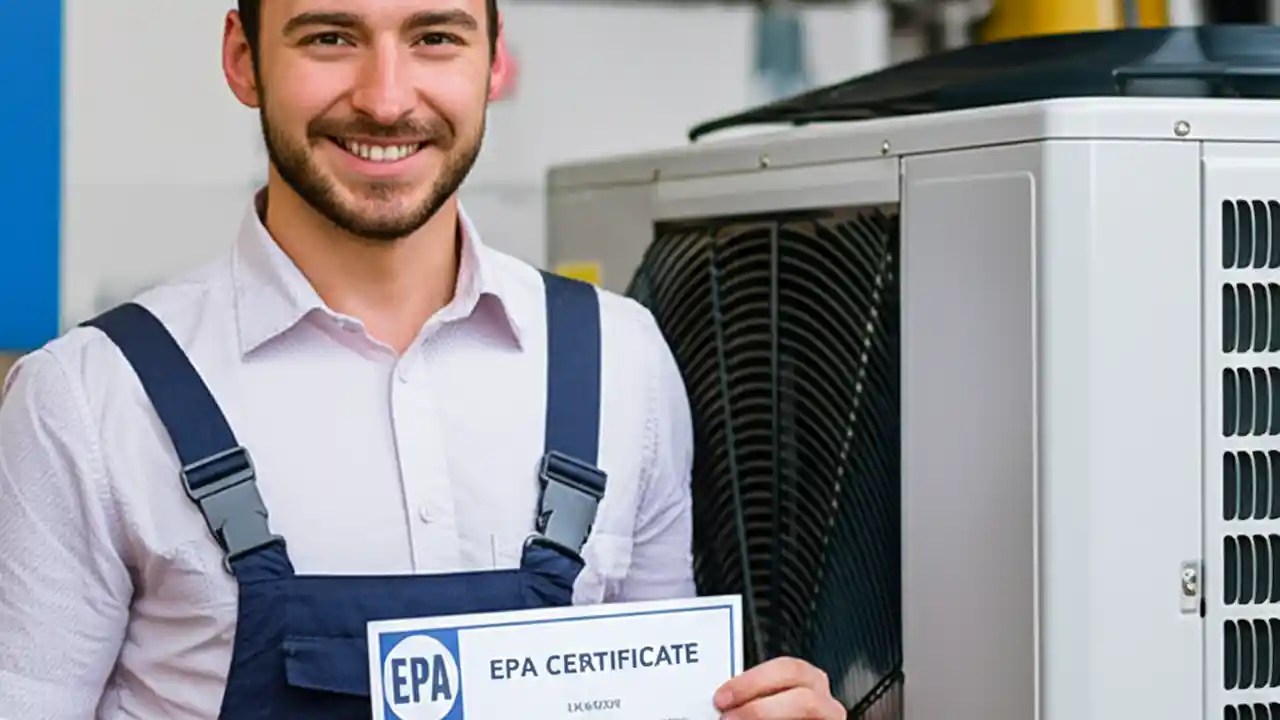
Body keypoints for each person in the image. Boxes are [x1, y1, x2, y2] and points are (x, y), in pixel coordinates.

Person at [0, 1, 845, 719]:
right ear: (243, 60)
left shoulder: (623, 360)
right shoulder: (89, 395)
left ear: (492, 59)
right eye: (330, 37)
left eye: (435, 36)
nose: (386, 98)